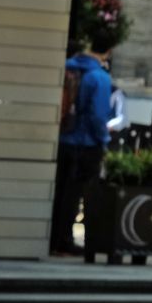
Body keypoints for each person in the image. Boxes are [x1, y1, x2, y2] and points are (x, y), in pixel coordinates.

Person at [51, 41, 115, 255]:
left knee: (60, 191)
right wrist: (103, 139)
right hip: (86, 143)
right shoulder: (99, 77)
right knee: (78, 194)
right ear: (107, 51)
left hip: (62, 139)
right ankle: (66, 241)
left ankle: (52, 239)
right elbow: (98, 115)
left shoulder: (66, 67)